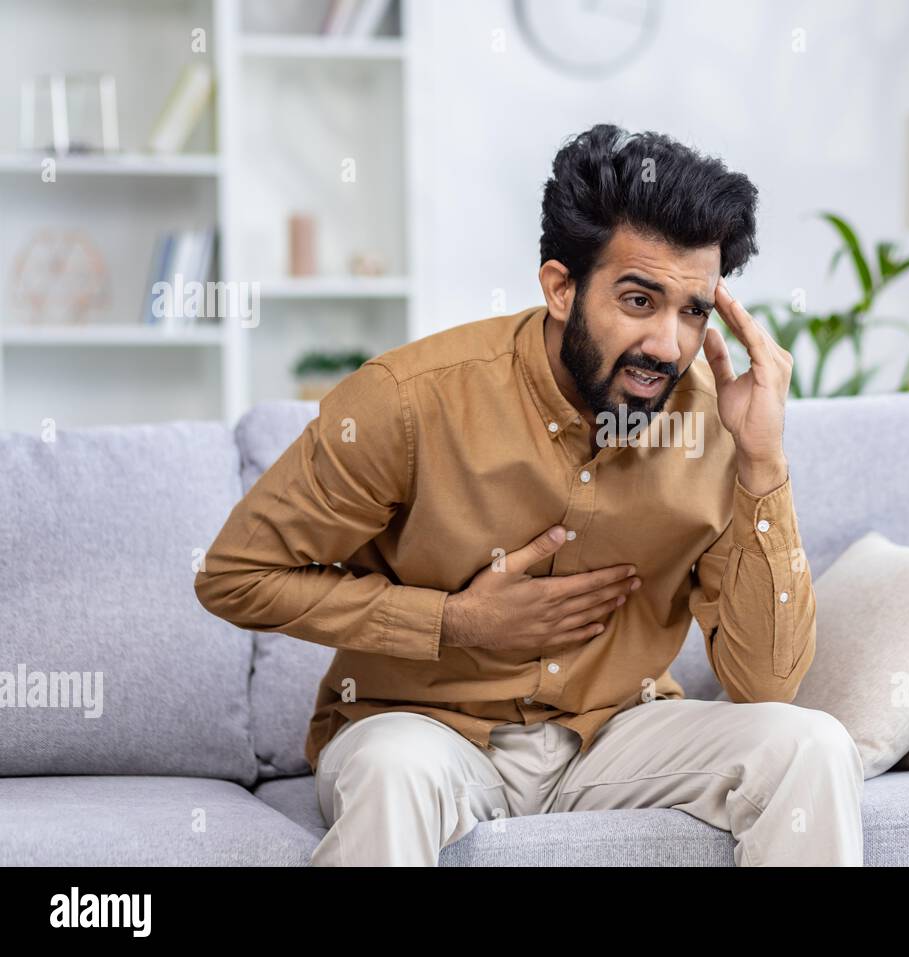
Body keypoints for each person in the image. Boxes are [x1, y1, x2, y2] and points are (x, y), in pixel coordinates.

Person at [194, 123, 864, 866]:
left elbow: (766, 680)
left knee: (810, 744)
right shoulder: (408, 401)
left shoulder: (719, 422)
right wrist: (453, 621)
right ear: (560, 286)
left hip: (617, 734)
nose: (668, 345)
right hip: (424, 729)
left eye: (693, 310)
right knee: (391, 774)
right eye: (639, 300)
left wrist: (762, 461)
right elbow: (236, 576)